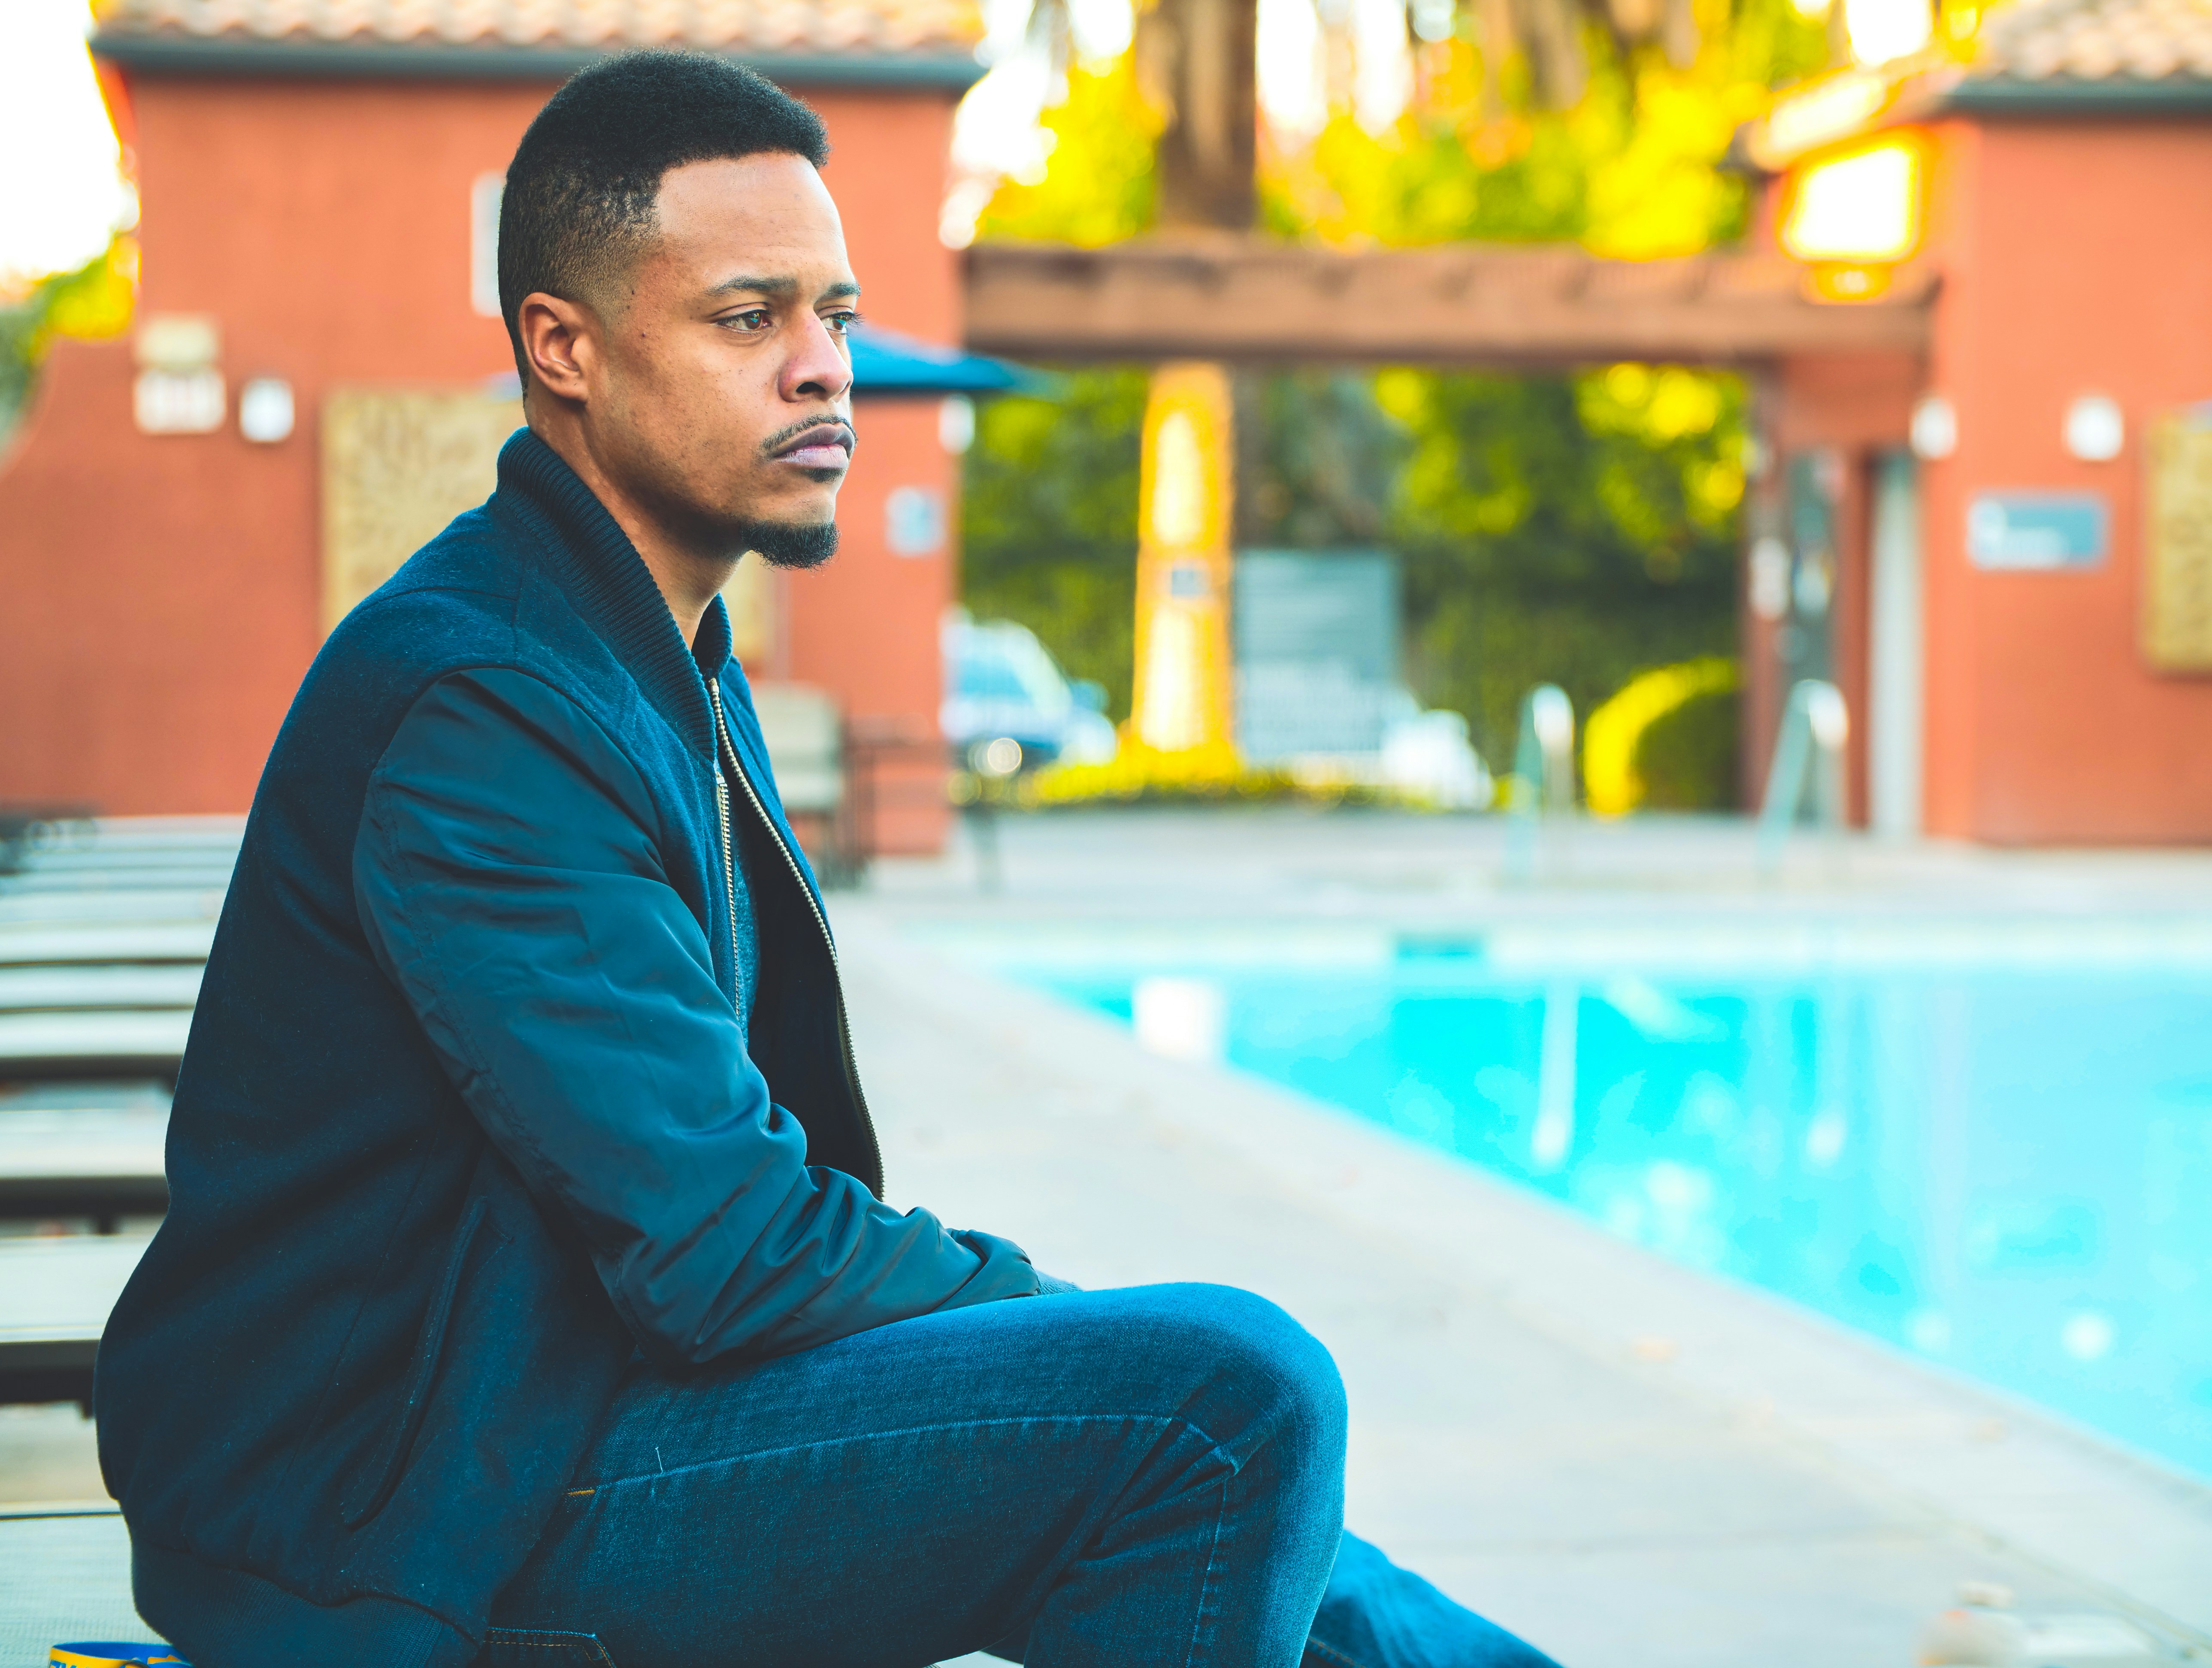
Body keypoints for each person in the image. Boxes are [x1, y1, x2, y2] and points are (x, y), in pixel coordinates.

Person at [94, 52, 1561, 1668]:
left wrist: (1032, 1332)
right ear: (562, 348)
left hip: (547, 1407)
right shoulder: (487, 707)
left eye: (838, 317)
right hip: (389, 1512)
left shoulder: (643, 645)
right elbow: (723, 1250)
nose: (823, 372)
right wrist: (1030, 1306)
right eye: (750, 319)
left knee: (1222, 1458)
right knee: (1223, 1399)